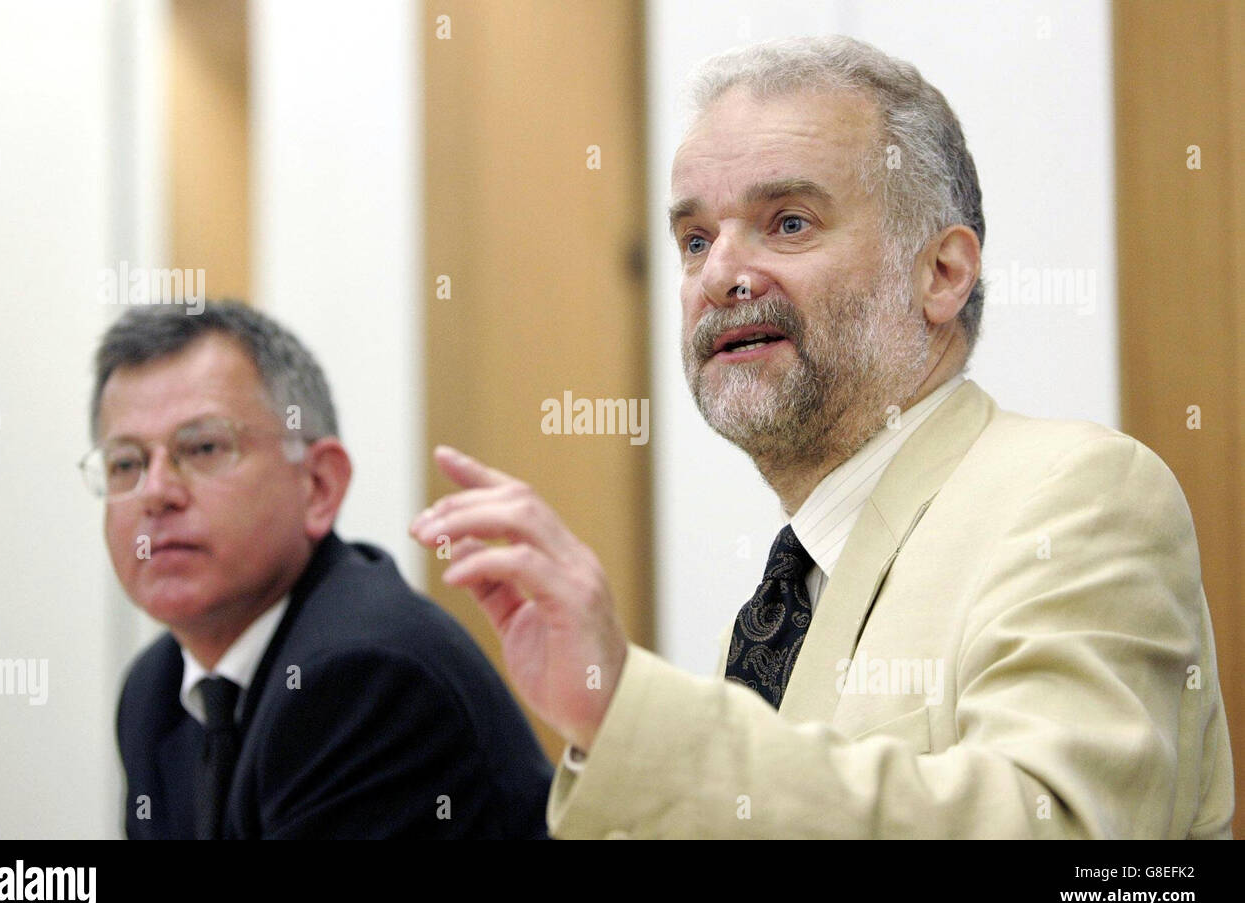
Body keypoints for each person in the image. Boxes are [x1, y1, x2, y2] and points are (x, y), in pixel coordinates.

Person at [409, 36, 1234, 838]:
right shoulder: (782, 600)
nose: (721, 274)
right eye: (695, 239)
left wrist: (633, 712)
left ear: (942, 273)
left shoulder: (1079, 497)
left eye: (789, 223)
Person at [88, 299, 551, 839]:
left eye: (204, 447)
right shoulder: (157, 690)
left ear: (319, 486)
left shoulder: (362, 675)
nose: (157, 493)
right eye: (126, 463)